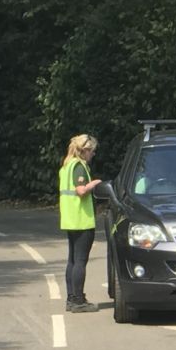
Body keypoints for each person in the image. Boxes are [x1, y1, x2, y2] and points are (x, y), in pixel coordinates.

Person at [59, 134, 101, 313]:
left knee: (72, 260)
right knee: (80, 261)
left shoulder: (66, 166)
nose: (93, 155)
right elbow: (81, 190)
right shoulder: (78, 166)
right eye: (92, 151)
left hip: (70, 218)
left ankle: (71, 298)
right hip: (82, 220)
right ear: (85, 150)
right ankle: (78, 300)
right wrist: (95, 183)